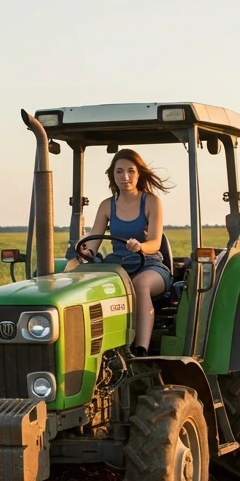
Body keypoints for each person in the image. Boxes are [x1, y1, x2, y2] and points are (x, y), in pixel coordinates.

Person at [66, 149, 172, 356]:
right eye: (119, 172)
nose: (125, 177)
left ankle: (141, 350)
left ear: (138, 174)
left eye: (131, 171)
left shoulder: (151, 202)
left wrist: (140, 246)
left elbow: (155, 243)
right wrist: (81, 255)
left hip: (149, 264)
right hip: (118, 267)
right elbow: (93, 244)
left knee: (139, 285)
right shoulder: (107, 206)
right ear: (112, 176)